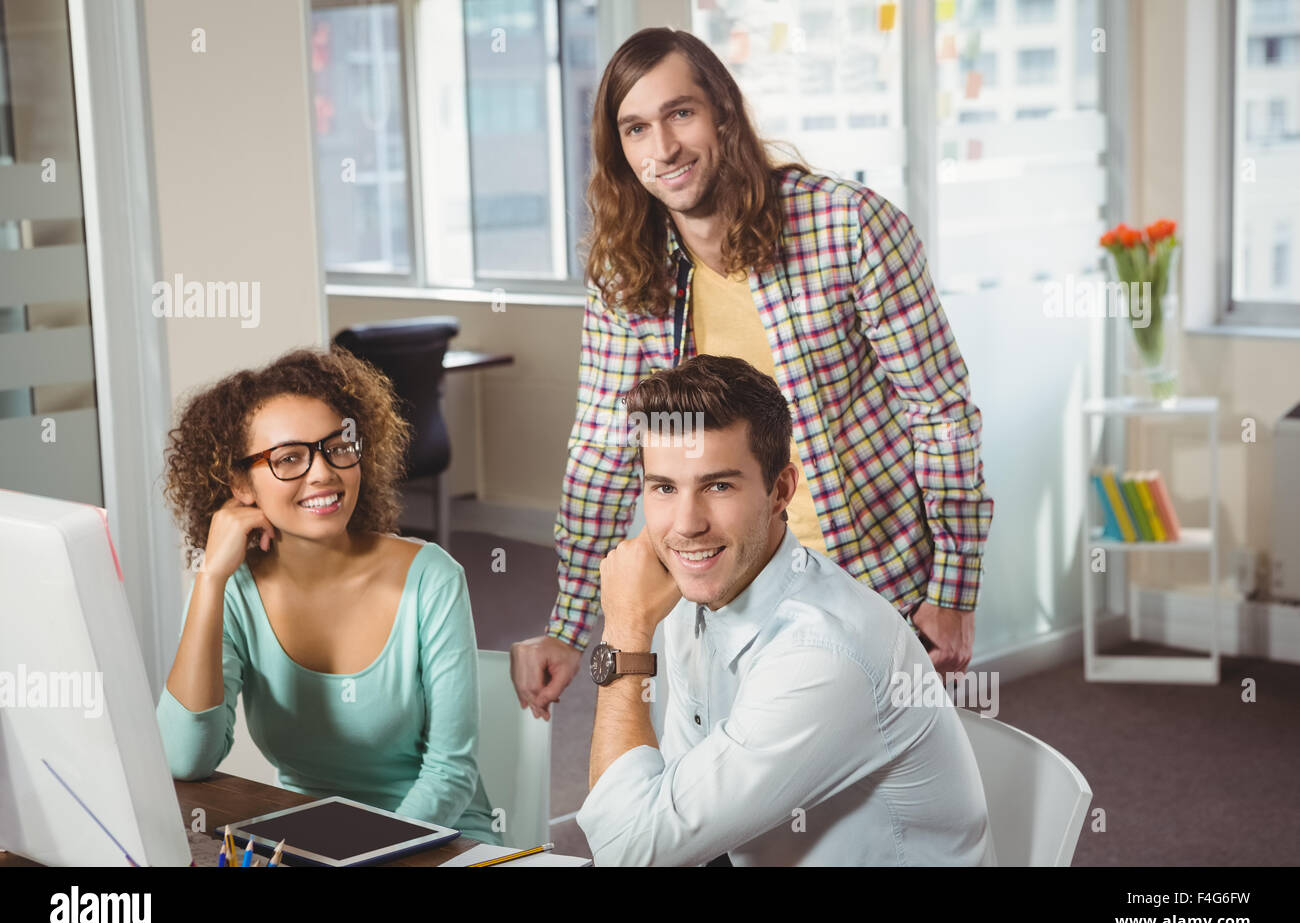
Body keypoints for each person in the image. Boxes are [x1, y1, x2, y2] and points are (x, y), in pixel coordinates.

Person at [511, 27, 993, 721]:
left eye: (681, 114)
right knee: (728, 801)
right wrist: (567, 623)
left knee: (876, 804)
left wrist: (952, 590)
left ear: (724, 115)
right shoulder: (626, 271)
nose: (664, 148)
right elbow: (602, 448)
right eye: (637, 128)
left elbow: (940, 414)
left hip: (868, 578)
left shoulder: (848, 226)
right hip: (719, 582)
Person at [576, 355, 995, 866]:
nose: (686, 525)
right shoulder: (692, 601)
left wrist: (624, 634)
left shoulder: (823, 654)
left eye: (718, 486)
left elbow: (630, 848)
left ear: (780, 491)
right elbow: (666, 812)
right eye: (664, 488)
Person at [155, 347, 499, 845]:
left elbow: (450, 774)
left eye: (337, 446)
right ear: (240, 484)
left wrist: (364, 857)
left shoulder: (432, 578)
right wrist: (209, 579)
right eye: (289, 458)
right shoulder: (231, 588)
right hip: (310, 841)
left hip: (439, 840)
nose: (323, 473)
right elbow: (185, 759)